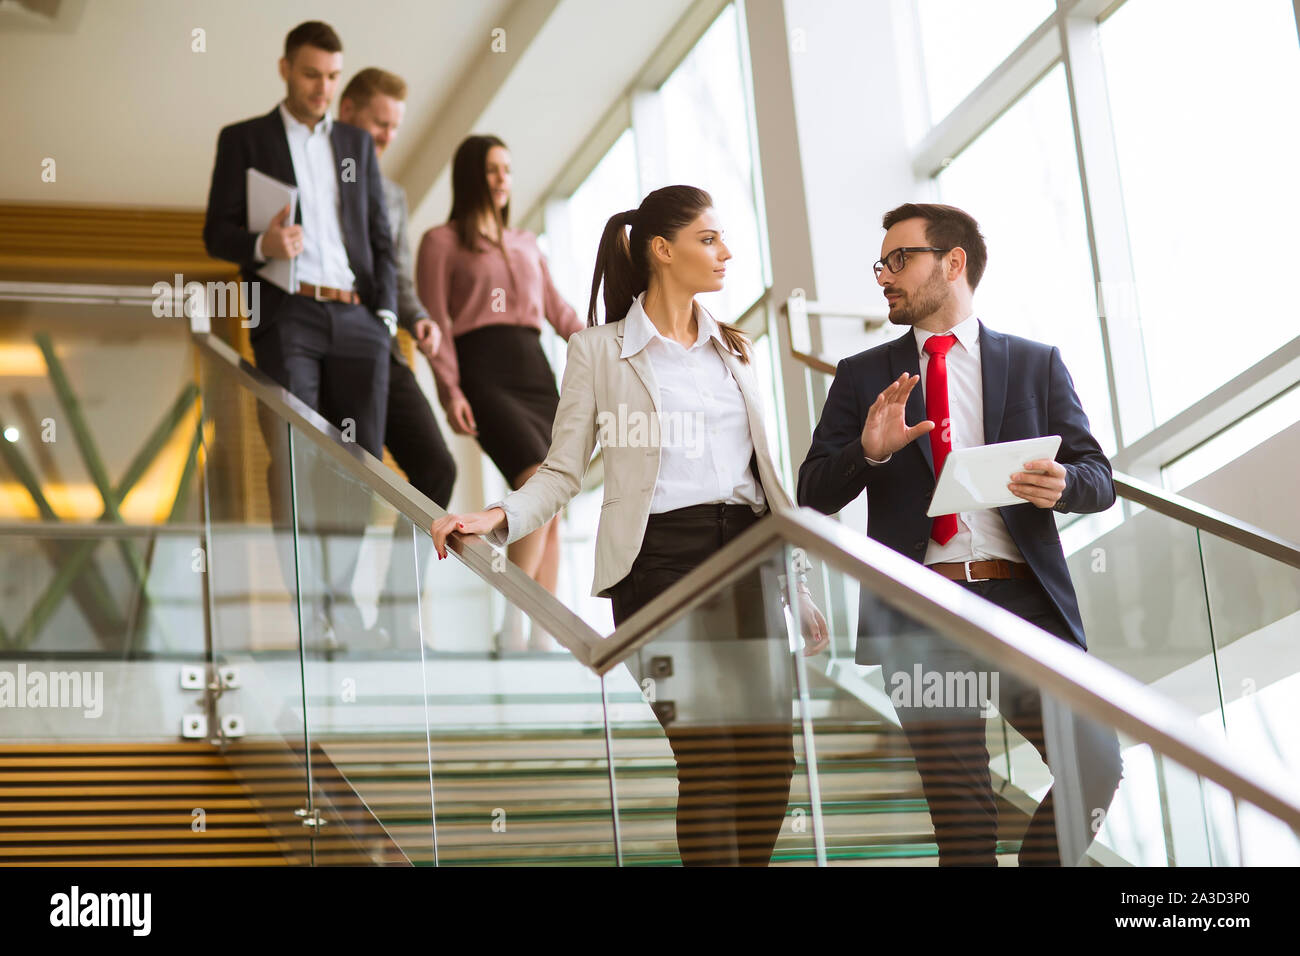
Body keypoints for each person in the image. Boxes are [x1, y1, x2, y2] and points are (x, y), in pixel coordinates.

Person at [430, 185, 830, 866]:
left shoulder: (733, 347)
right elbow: (561, 472)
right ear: (662, 250)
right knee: (708, 755)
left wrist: (800, 582)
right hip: (658, 563)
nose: (725, 252)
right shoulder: (597, 351)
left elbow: (768, 480)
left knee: (770, 761)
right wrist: (498, 515)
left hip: (751, 556)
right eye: (709, 239)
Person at [796, 202, 1123, 866]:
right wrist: (871, 451)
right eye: (880, 264)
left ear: (953, 262)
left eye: (899, 260)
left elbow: (1099, 476)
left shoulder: (1035, 363)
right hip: (921, 613)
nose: (884, 276)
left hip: (1024, 604)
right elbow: (812, 492)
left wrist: (1063, 482)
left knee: (1094, 764)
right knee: (963, 816)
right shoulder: (863, 376)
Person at [202, 21, 397, 643]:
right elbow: (215, 232)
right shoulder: (245, 139)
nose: (323, 87)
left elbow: (379, 235)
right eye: (312, 74)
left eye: (333, 77)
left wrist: (385, 314)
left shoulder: (354, 143)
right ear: (285, 68)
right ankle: (309, 608)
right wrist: (262, 242)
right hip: (288, 316)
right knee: (293, 457)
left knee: (359, 462)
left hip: (357, 318)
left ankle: (338, 600)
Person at [416, 135, 579, 652]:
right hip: (484, 372)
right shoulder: (440, 242)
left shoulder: (527, 242)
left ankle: (541, 637)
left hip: (536, 371)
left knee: (554, 504)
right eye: (491, 169)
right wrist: (450, 390)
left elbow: (561, 312)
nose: (502, 178)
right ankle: (511, 625)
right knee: (534, 482)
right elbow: (435, 323)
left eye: (507, 168)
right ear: (470, 176)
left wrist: (616, 346)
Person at [339, 67, 456, 644]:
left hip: (386, 343)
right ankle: (338, 613)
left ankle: (395, 610)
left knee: (437, 465)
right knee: (354, 476)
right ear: (347, 112)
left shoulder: (392, 196)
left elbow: (399, 278)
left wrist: (421, 320)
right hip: (336, 345)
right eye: (378, 122)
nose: (387, 136)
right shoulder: (314, 179)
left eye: (394, 127)